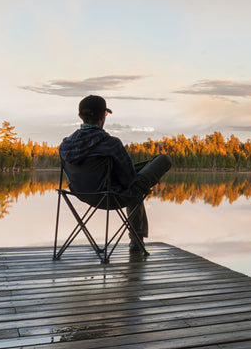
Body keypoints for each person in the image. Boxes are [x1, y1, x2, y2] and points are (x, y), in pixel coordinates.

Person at [58, 95, 171, 253]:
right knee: (162, 161)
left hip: (82, 195)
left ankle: (136, 241)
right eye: (105, 114)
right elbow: (129, 180)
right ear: (102, 116)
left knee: (136, 183)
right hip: (110, 197)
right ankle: (136, 240)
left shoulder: (65, 145)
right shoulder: (111, 143)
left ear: (80, 116)